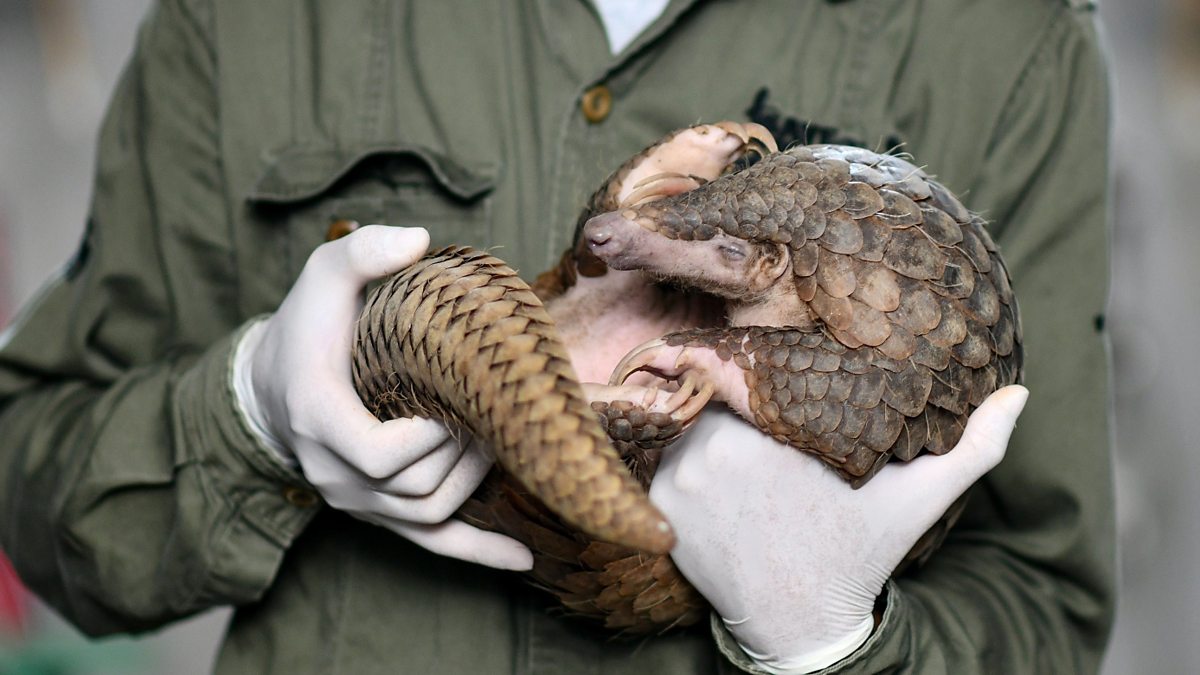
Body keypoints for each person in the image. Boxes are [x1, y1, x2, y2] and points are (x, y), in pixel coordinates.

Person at [0, 1, 1113, 673]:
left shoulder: (1008, 41)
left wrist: (825, 642)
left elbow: (1043, 609)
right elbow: (39, 477)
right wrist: (250, 410)